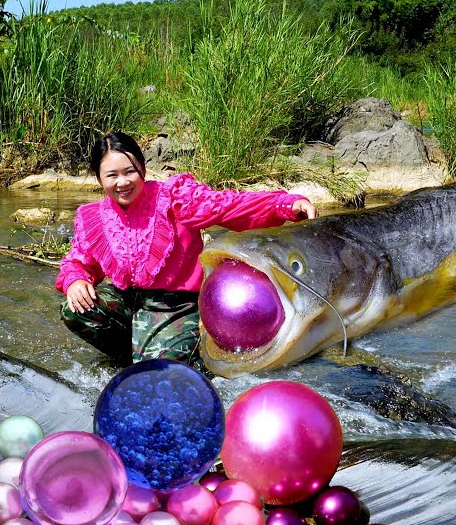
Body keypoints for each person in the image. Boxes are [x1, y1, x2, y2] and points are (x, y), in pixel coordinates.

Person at [55, 131, 316, 367]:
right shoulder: (93, 217)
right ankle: (136, 353)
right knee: (76, 309)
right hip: (129, 302)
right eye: (112, 175)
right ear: (99, 178)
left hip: (176, 306)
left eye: (129, 171)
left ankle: (176, 350)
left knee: (160, 375)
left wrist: (284, 205)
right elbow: (77, 260)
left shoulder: (175, 198)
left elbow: (227, 205)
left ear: (143, 169)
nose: (122, 182)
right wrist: (75, 280)